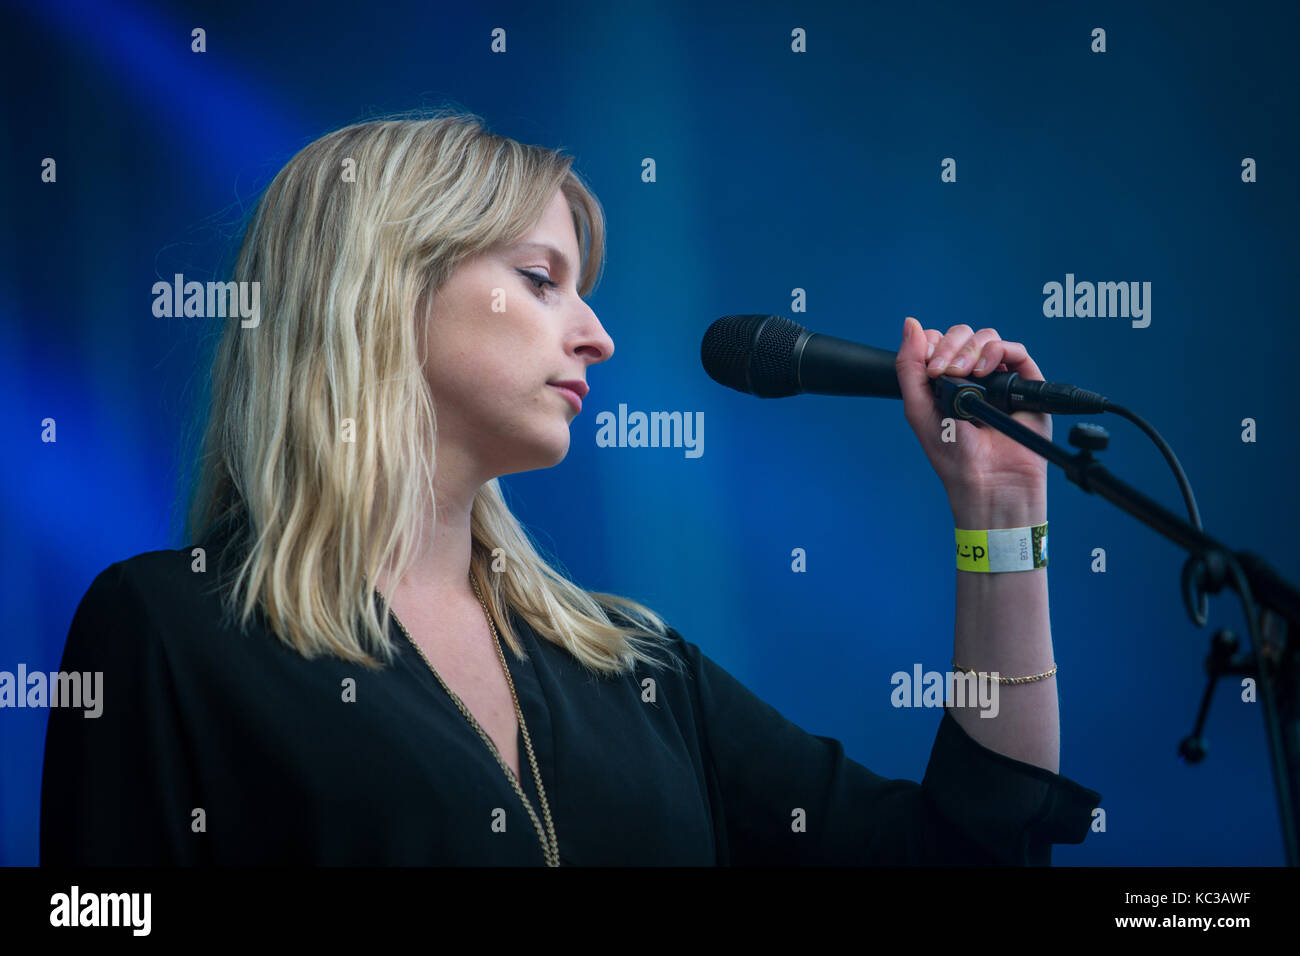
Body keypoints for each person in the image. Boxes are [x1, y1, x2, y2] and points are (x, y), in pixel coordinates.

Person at [40, 110, 1100, 866]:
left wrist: (1000, 516)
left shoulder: (631, 665)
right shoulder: (169, 626)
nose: (594, 333)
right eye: (540, 280)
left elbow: (963, 848)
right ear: (379, 287)